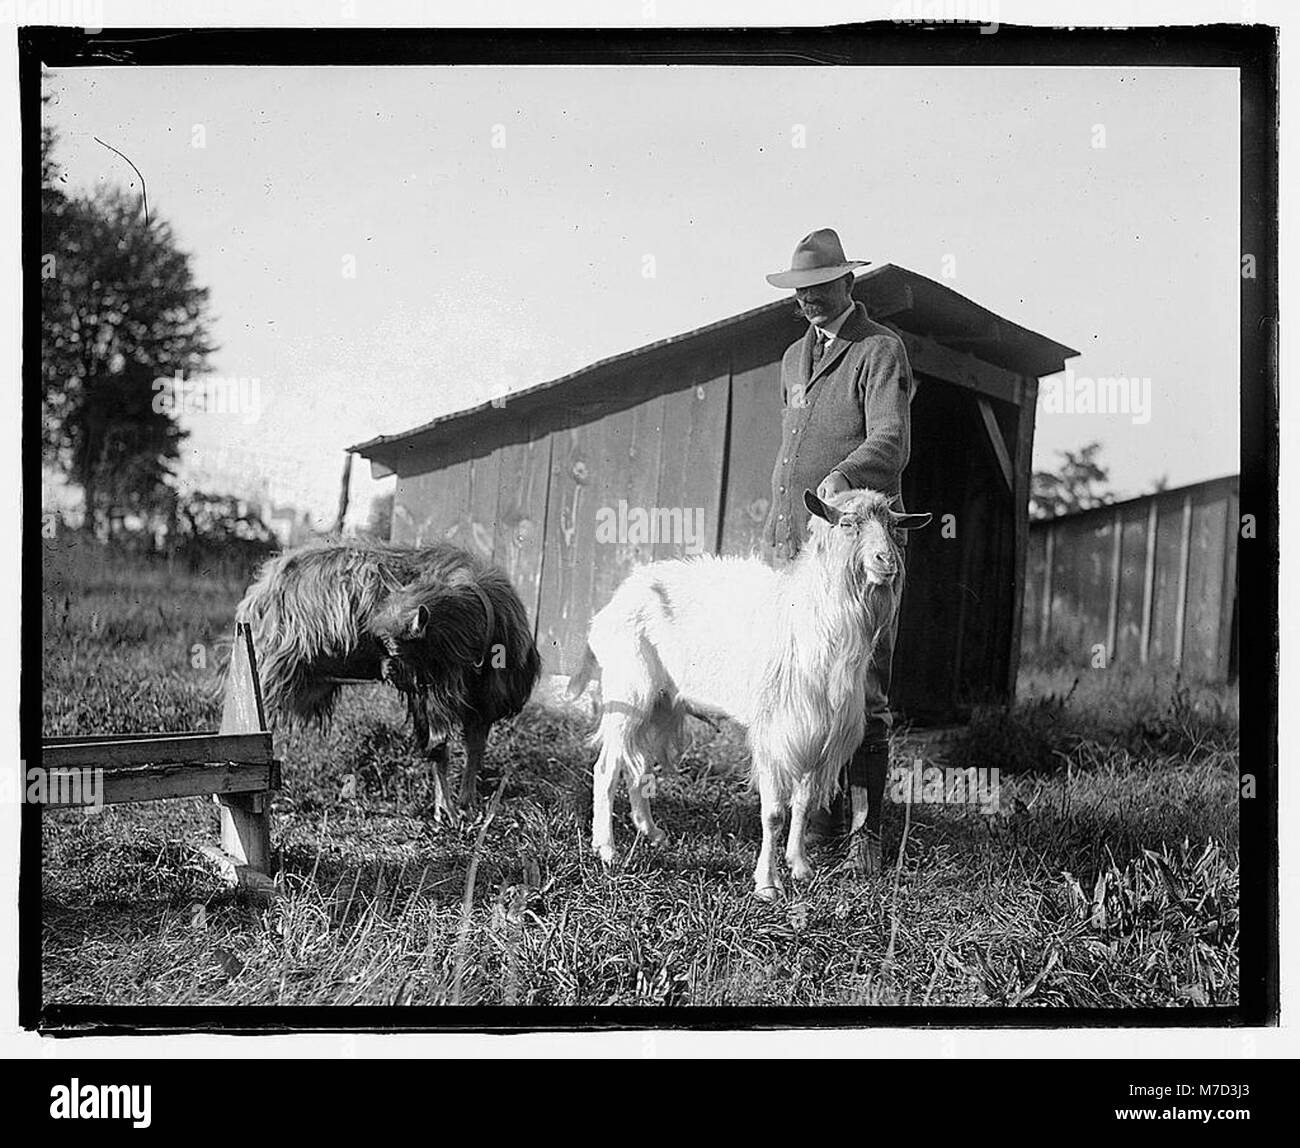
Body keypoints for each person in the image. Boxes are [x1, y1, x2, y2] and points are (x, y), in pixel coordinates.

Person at [761, 227, 918, 873]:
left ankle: (866, 836)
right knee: (804, 685)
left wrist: (847, 475)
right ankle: (810, 829)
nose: (810, 302)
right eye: (800, 294)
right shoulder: (793, 358)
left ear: (848, 283)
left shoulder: (880, 349)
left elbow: (891, 436)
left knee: (863, 688)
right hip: (798, 546)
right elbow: (792, 445)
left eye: (821, 289)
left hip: (859, 544)